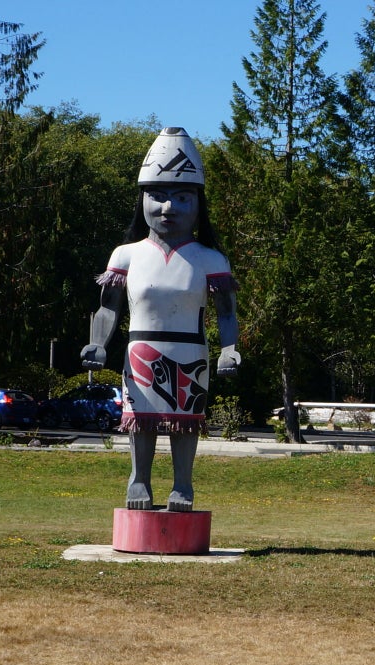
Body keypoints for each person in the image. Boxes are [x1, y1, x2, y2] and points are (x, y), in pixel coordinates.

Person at [82, 127, 240, 512]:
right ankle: (139, 480)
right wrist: (98, 342)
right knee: (142, 419)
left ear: (198, 204)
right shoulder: (126, 255)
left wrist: (230, 349)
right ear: (142, 200)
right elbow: (108, 308)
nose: (168, 208)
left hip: (190, 349)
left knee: (186, 421)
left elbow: (227, 313)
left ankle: (182, 484)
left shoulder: (211, 260)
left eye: (182, 198)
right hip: (141, 348)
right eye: (157, 197)